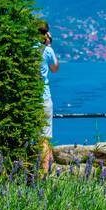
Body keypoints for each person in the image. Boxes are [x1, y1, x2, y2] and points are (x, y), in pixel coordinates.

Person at [39, 19, 59, 166]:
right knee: (44, 139)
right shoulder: (47, 50)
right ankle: (43, 175)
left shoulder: (26, 50)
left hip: (29, 97)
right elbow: (54, 68)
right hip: (44, 97)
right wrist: (49, 45)